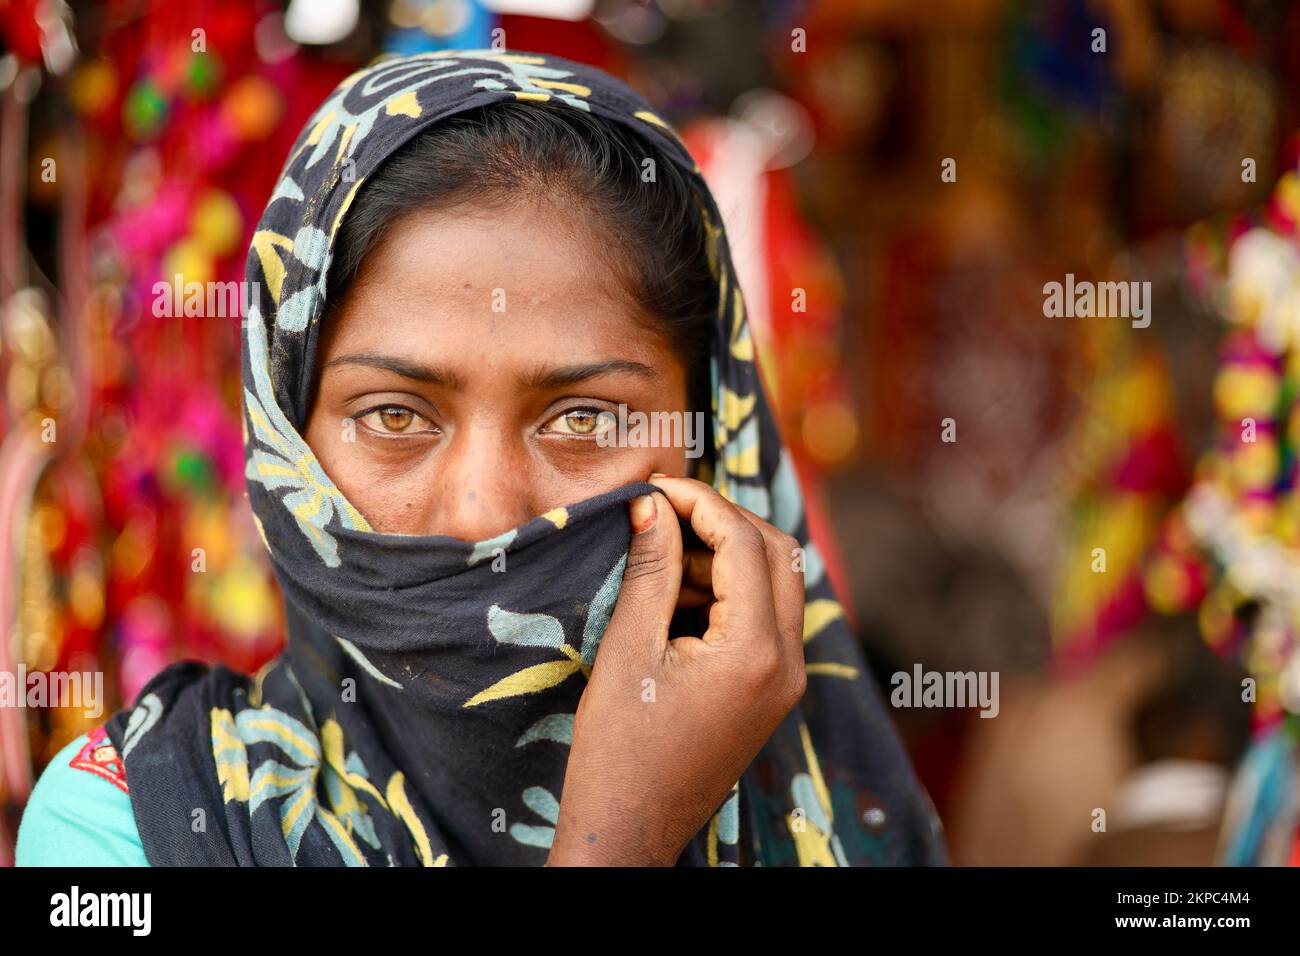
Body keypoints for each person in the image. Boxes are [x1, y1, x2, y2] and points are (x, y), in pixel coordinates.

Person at [17, 49, 944, 866]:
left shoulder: (838, 817)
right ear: (287, 440)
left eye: (584, 420)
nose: (481, 511)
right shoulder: (134, 824)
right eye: (393, 414)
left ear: (709, 438)